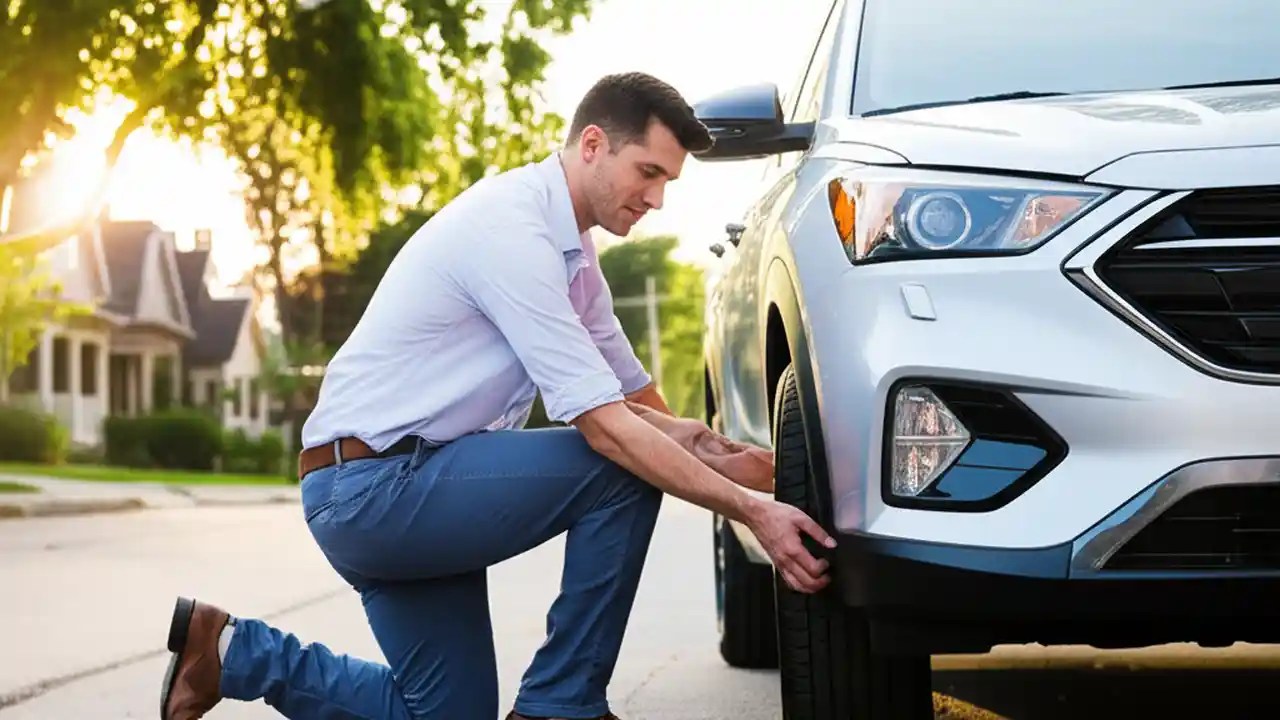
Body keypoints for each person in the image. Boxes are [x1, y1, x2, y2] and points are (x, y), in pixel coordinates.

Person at [159, 71, 835, 720]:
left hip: (399, 490)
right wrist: (752, 513)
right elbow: (611, 434)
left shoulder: (574, 259)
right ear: (593, 145)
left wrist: (797, 480)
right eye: (648, 173)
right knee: (621, 469)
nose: (656, 199)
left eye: (667, 182)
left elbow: (653, 418)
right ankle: (560, 706)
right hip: (373, 488)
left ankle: (229, 652)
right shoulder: (512, 232)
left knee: (445, 713)